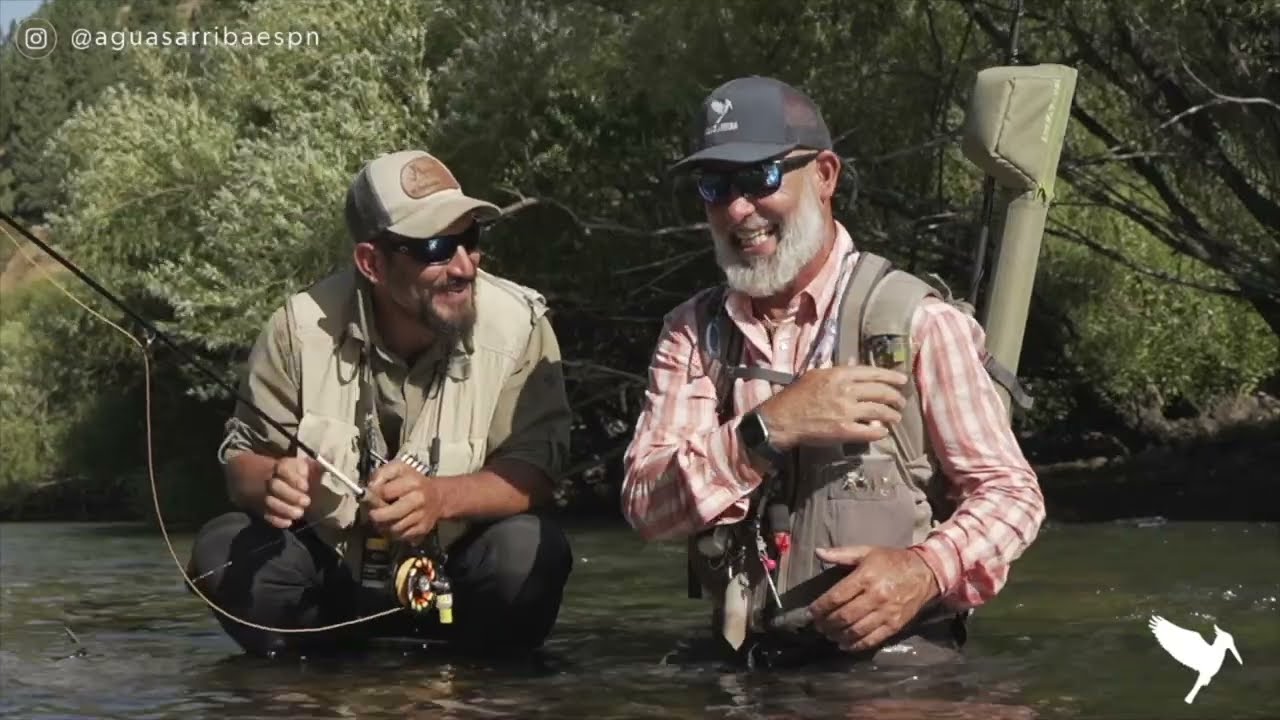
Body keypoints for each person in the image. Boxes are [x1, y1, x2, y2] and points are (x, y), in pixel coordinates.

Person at [620, 76, 1045, 668]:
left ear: (824, 175)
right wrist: (768, 428)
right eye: (714, 186)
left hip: (896, 664)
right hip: (746, 663)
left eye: (759, 178)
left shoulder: (920, 323)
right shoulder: (691, 333)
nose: (738, 209)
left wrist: (925, 571)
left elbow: (1012, 496)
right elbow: (645, 505)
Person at [188, 150, 575, 658]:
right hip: (329, 587)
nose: (464, 266)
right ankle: (311, 685)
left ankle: (482, 684)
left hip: (456, 586)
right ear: (372, 262)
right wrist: (269, 483)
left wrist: (440, 499)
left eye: (470, 240)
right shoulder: (296, 330)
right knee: (223, 550)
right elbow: (241, 463)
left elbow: (539, 470)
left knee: (527, 550)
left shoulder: (520, 326)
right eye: (436, 246)